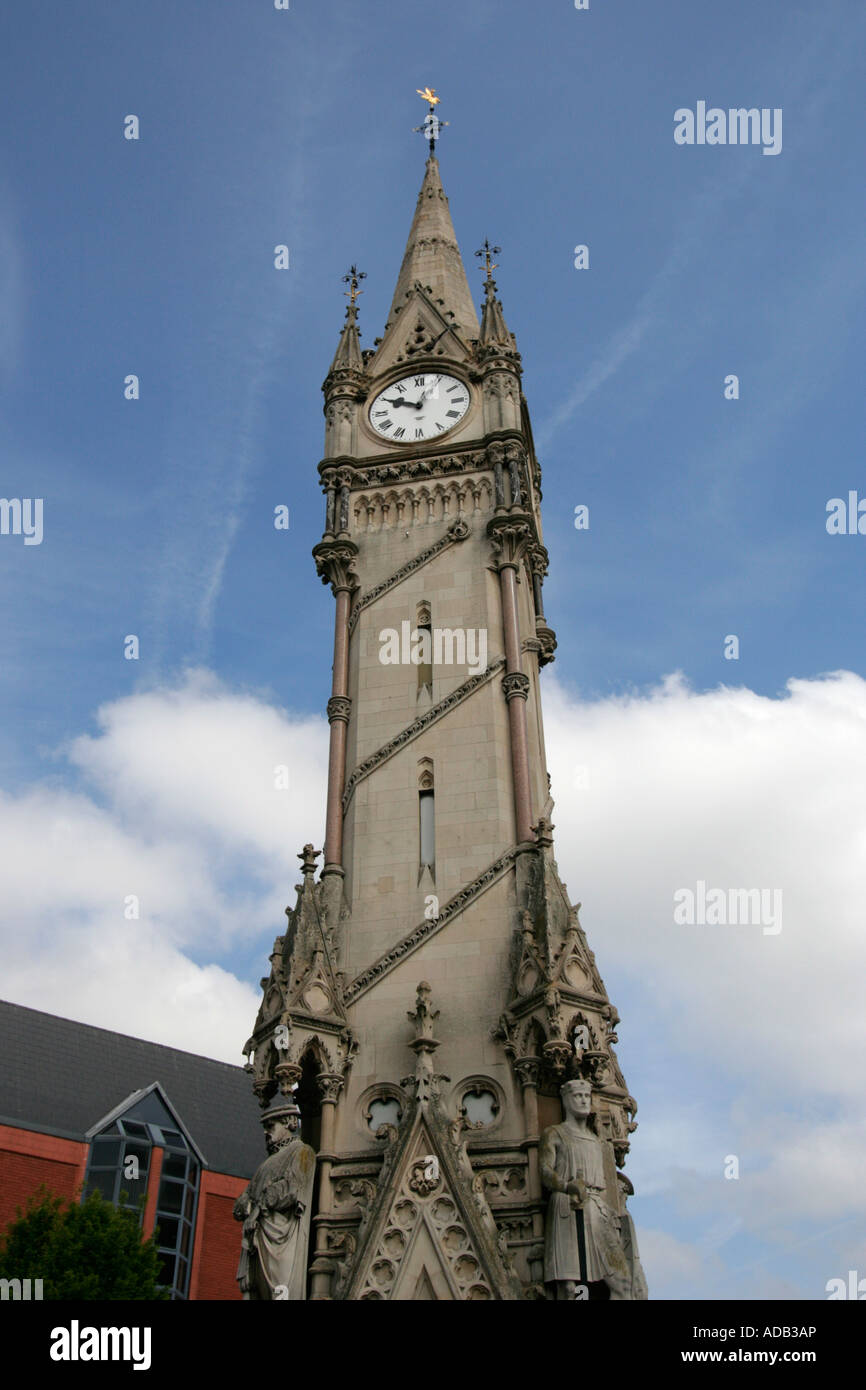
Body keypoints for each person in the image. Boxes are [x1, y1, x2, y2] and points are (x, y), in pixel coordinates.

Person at [540, 1078, 631, 1300]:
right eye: (578, 1096)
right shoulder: (555, 1133)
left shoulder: (595, 1140)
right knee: (570, 1284)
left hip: (597, 1209)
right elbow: (544, 1171)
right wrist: (566, 1185)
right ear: (566, 1100)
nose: (583, 1100)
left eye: (586, 1096)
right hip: (568, 1207)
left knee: (617, 1280)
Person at [233, 1098, 315, 1300]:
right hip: (259, 1238)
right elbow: (241, 1203)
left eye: (271, 1126)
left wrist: (259, 1202)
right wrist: (250, 1203)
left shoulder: (301, 1152)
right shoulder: (266, 1165)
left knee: (281, 1290)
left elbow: (292, 1188)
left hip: (282, 1238)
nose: (266, 1133)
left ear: (289, 1122)